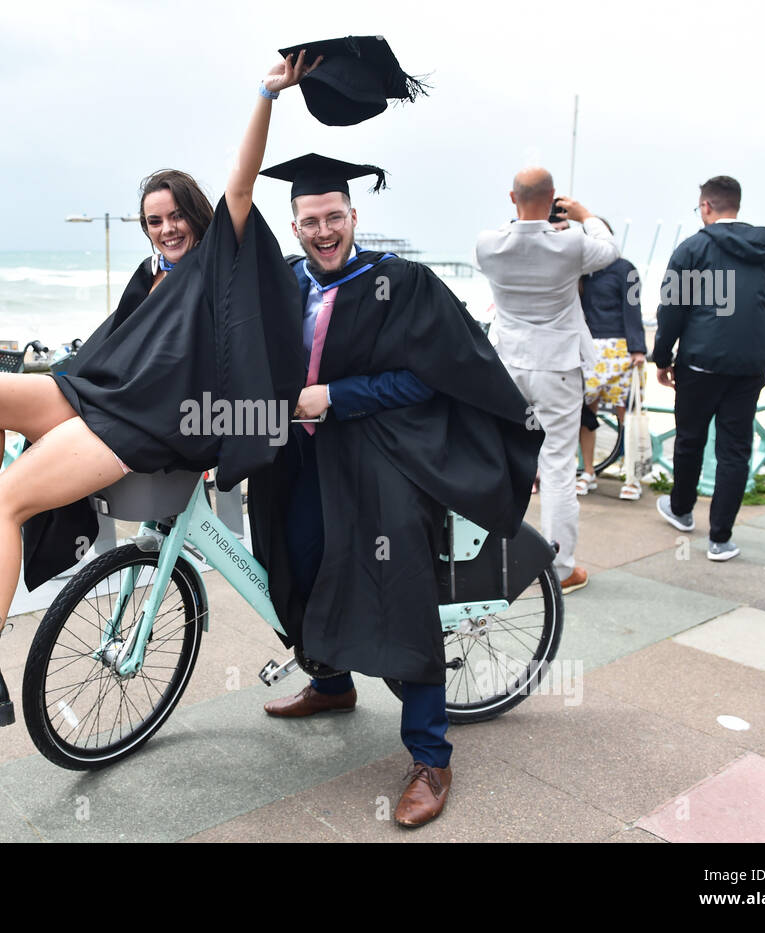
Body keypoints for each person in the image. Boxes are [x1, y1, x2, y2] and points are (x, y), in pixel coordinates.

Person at [0, 52, 317, 737]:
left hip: (143, 425)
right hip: (101, 397)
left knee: (8, 497)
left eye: (177, 215)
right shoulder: (149, 280)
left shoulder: (217, 262)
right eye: (153, 220)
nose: (166, 227)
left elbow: (240, 187)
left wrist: (265, 96)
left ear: (198, 217)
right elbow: (106, 353)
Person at [250, 153, 541, 828]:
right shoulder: (288, 283)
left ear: (354, 216)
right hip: (301, 456)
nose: (323, 231)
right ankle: (330, 682)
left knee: (396, 588)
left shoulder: (400, 283)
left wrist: (339, 395)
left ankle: (431, 755)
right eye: (309, 221)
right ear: (294, 227)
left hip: (382, 450)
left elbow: (436, 375)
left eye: (333, 217)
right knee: (293, 566)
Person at [475, 168, 619, 594]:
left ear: (511, 197)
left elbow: (517, 233)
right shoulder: (571, 244)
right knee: (557, 466)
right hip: (557, 368)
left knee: (499, 461)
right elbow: (609, 248)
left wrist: (525, 220)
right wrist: (583, 214)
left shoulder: (488, 245)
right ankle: (561, 568)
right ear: (554, 197)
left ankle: (486, 558)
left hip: (508, 367)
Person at [652, 175, 765, 560]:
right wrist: (762, 347)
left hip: (700, 362)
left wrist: (663, 358)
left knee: (690, 438)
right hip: (749, 365)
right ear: (737, 205)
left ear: (706, 207)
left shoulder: (693, 248)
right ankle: (720, 539)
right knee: (735, 448)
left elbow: (672, 309)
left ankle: (681, 510)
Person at [577, 225, 647, 500]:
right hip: (588, 347)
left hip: (620, 348)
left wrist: (637, 349)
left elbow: (633, 308)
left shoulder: (625, 269)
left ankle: (633, 477)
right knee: (586, 413)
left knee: (626, 415)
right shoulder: (581, 269)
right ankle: (589, 471)